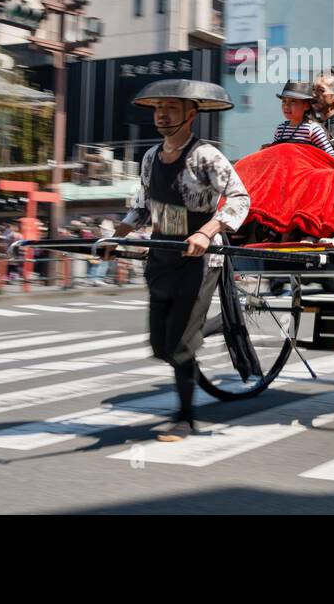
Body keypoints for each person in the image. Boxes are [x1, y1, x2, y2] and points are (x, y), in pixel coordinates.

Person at [109, 79, 249, 443]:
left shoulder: (206, 157)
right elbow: (143, 205)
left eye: (171, 108)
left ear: (191, 115)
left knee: (180, 347)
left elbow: (239, 198)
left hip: (199, 259)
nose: (162, 115)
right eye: (158, 108)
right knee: (161, 345)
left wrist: (208, 231)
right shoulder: (151, 157)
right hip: (162, 254)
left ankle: (185, 418)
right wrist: (117, 234)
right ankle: (210, 327)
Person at [271, 81, 334, 157]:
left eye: (293, 102)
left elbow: (332, 157)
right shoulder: (280, 129)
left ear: (306, 106)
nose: (286, 106)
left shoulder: (313, 130)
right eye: (284, 101)